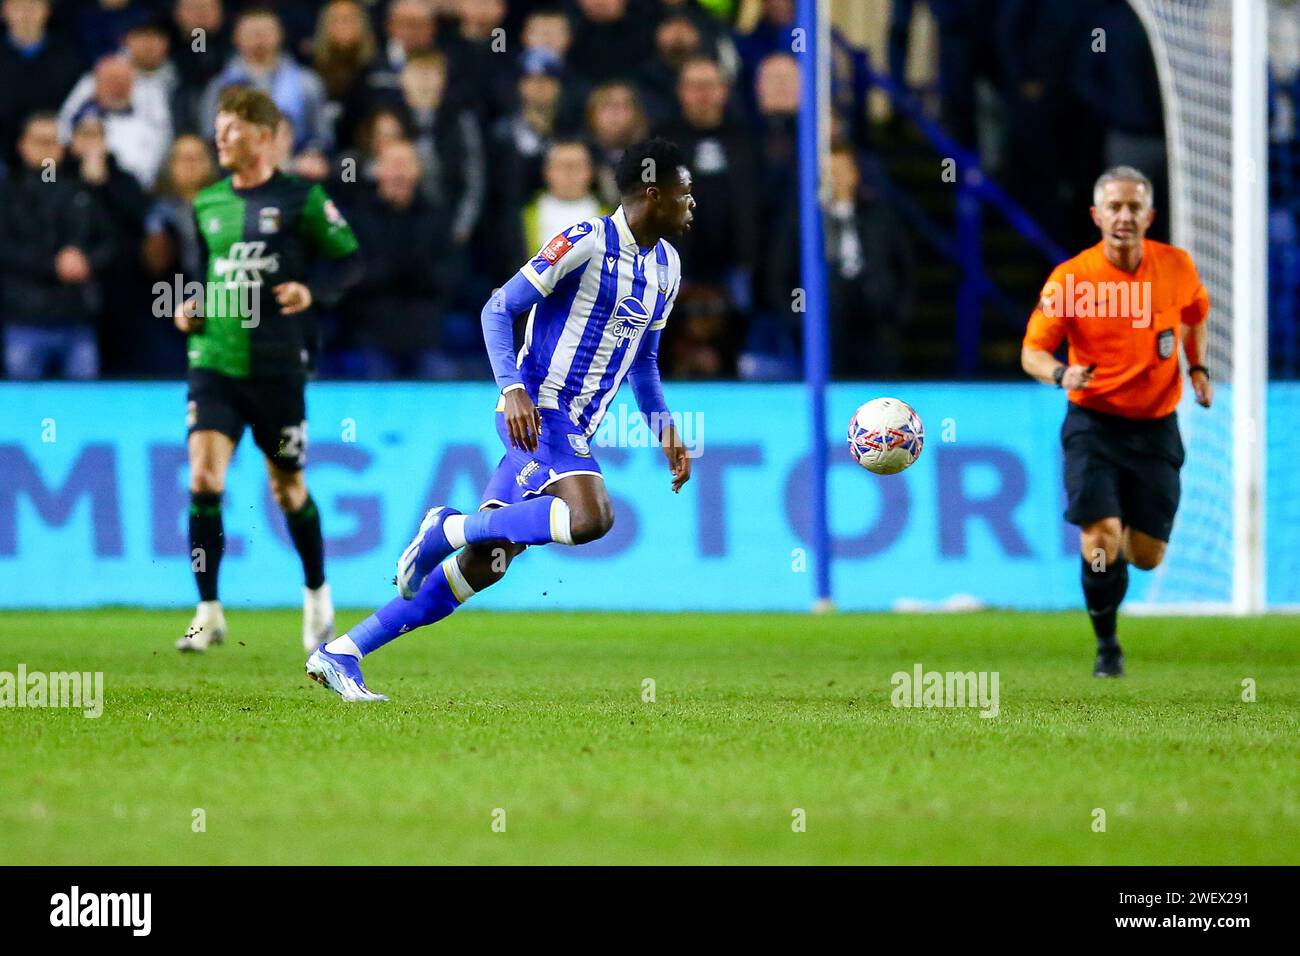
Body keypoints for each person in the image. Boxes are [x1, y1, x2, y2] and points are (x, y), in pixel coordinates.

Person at [305, 138, 696, 702]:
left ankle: (343, 652)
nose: (692, 204)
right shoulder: (588, 240)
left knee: (485, 564)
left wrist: (665, 429)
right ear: (653, 195)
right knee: (591, 517)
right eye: (686, 194)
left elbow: (645, 361)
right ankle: (446, 527)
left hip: (574, 428)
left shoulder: (668, 267)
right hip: (539, 414)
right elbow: (498, 307)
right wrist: (513, 388)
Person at [172, 87, 361, 654]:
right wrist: (191, 305)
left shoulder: (302, 198)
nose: (220, 139)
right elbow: (208, 273)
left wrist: (313, 289)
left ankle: (316, 593)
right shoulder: (207, 203)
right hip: (215, 360)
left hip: (278, 365)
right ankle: (208, 609)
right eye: (218, 129)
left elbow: (350, 259)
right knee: (204, 478)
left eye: (230, 129)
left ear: (262, 135)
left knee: (287, 488)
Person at [1021, 166, 1213, 677]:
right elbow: (1032, 352)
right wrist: (1063, 374)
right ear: (1096, 215)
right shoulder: (1072, 280)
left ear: (1149, 215)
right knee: (1100, 540)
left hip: (1155, 424)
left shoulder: (1176, 267)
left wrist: (1197, 367)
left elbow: (1195, 315)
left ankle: (1117, 571)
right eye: (1114, 206)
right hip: (1094, 424)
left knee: (1146, 556)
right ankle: (1107, 644)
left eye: (1133, 207)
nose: (1124, 216)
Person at [0, 113, 115, 379]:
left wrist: (88, 261)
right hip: (24, 319)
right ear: (22, 145)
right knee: (24, 407)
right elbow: (5, 249)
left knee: (82, 408)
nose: (48, 149)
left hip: (76, 318)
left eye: (53, 141)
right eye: (40, 141)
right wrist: (52, 264)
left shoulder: (82, 190)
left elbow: (110, 241)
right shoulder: (7, 194)